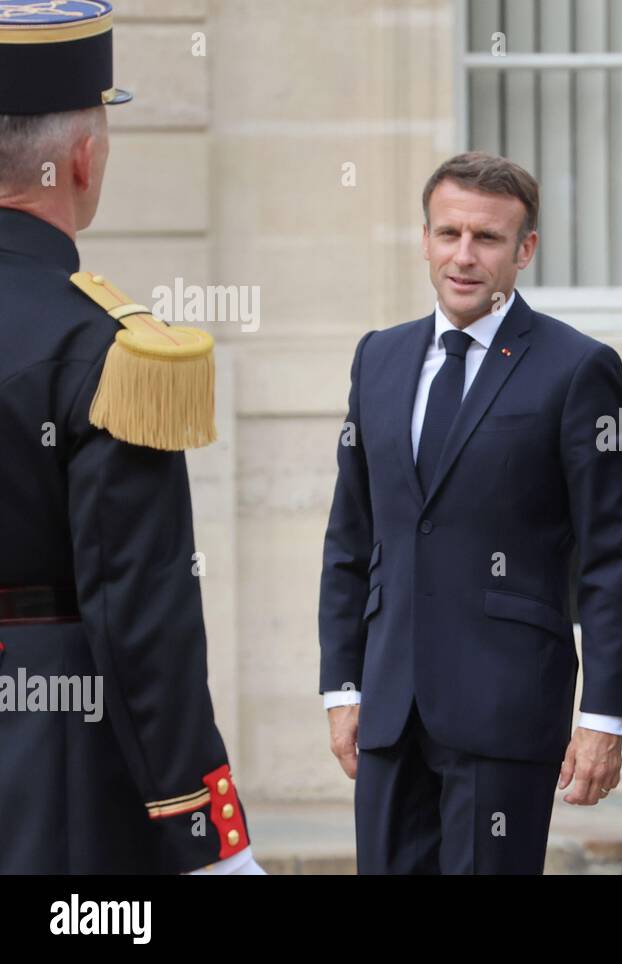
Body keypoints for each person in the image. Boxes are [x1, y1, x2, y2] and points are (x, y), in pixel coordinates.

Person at [319, 151, 622, 874]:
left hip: (506, 712)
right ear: (426, 238)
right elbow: (352, 535)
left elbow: (613, 554)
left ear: (524, 250)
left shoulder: (577, 368)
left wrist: (605, 717)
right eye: (449, 234)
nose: (463, 256)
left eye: (488, 239)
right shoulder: (377, 358)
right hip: (389, 709)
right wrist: (343, 686)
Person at [0, 0, 258, 873]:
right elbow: (143, 619)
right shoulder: (107, 350)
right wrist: (205, 832)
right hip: (49, 762)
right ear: (82, 156)